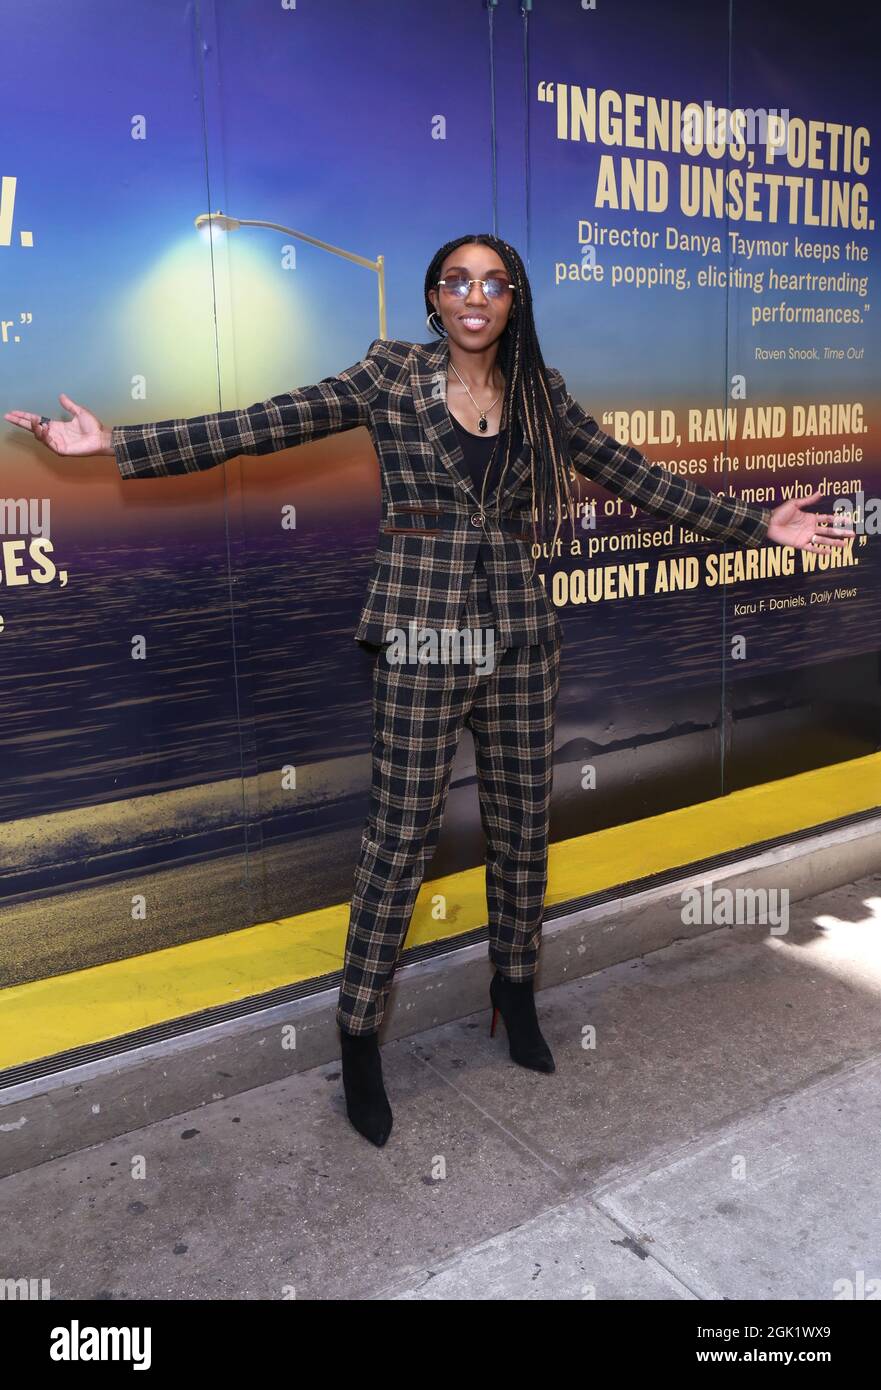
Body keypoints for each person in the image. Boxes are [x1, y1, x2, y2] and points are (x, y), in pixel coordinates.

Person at [5, 233, 854, 1149]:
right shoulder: (388, 375)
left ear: (514, 298)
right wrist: (115, 445)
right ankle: (360, 1031)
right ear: (434, 301)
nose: (475, 295)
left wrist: (755, 520)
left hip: (520, 638)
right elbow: (264, 422)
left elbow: (632, 474)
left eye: (494, 281)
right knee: (400, 836)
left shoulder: (541, 393)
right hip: (419, 633)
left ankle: (512, 988)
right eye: (458, 281)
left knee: (523, 820)